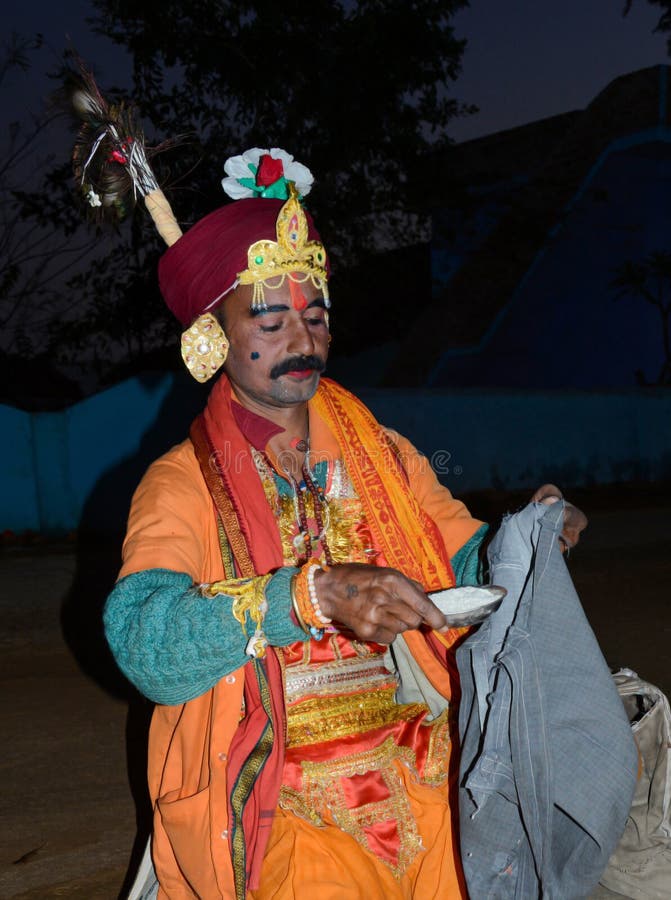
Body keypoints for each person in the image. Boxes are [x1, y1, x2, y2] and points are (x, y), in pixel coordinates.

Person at [102, 147, 585, 899]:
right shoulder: (181, 485)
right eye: (269, 319)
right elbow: (143, 641)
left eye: (315, 316)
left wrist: (527, 536)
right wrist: (307, 597)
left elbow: (460, 558)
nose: (300, 339)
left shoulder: (380, 451)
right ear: (211, 337)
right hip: (280, 791)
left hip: (415, 757)